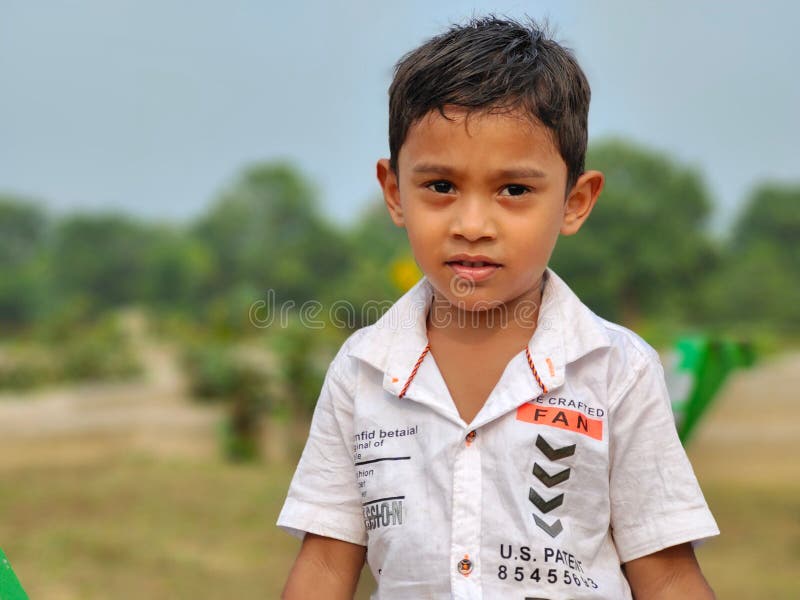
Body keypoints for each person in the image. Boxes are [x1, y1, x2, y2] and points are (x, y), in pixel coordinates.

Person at [278, 16, 719, 599]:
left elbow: (665, 576)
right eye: (441, 186)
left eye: (514, 190)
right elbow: (326, 565)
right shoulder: (362, 372)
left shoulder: (617, 371)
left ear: (575, 201)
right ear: (394, 192)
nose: (472, 225)